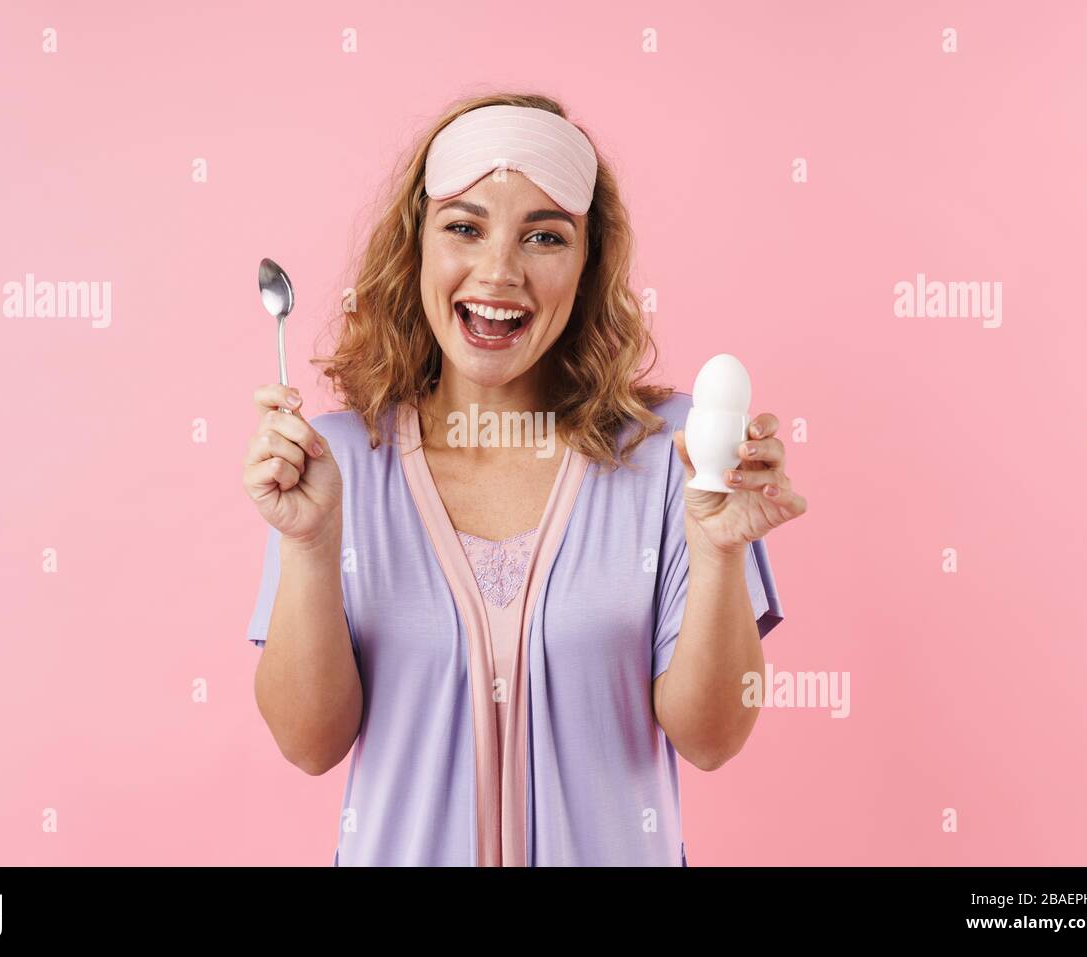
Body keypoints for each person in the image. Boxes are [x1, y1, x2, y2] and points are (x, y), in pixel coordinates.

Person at [241, 93, 806, 866]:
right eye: (464, 227)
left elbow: (710, 739)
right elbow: (310, 744)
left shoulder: (672, 455)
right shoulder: (329, 464)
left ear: (588, 264)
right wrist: (309, 546)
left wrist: (719, 553)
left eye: (544, 236)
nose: (499, 271)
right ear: (417, 248)